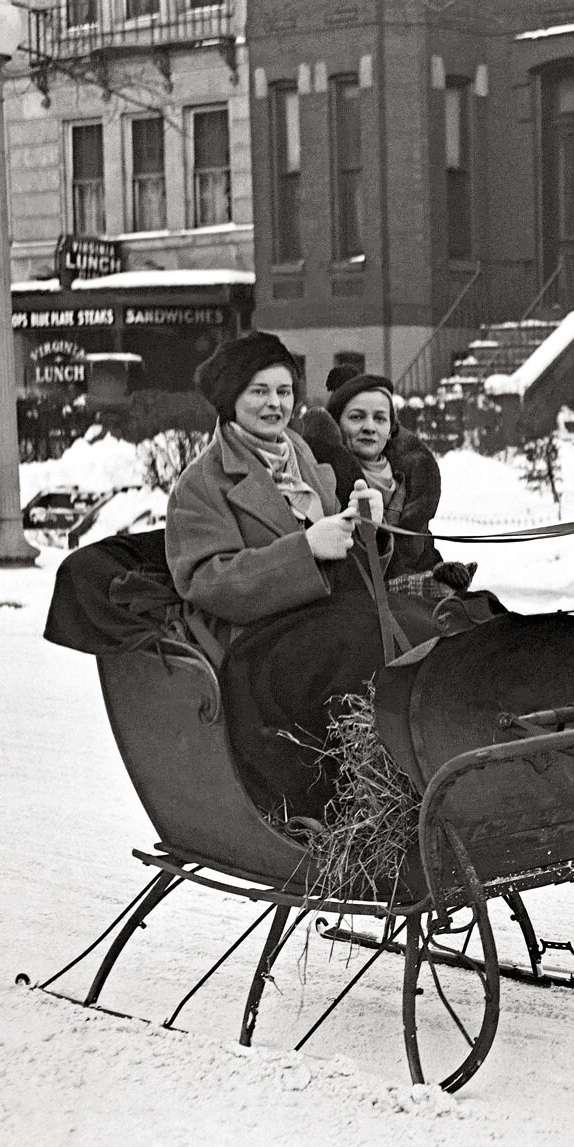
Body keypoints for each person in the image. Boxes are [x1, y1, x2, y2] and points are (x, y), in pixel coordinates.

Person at [165, 331, 435, 817]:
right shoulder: (201, 482)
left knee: (425, 624)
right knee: (363, 641)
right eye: (259, 392)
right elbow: (209, 581)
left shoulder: (299, 454)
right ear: (232, 399)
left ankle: (430, 768)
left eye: (284, 391)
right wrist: (304, 550)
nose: (275, 404)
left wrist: (369, 525)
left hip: (323, 618)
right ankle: (363, 799)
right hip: (257, 645)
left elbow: (341, 538)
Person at [297, 369, 474, 596]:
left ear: (391, 429)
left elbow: (422, 552)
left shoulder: (408, 481)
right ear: (337, 425)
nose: (369, 427)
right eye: (357, 417)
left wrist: (441, 574)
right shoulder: (325, 481)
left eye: (380, 418)